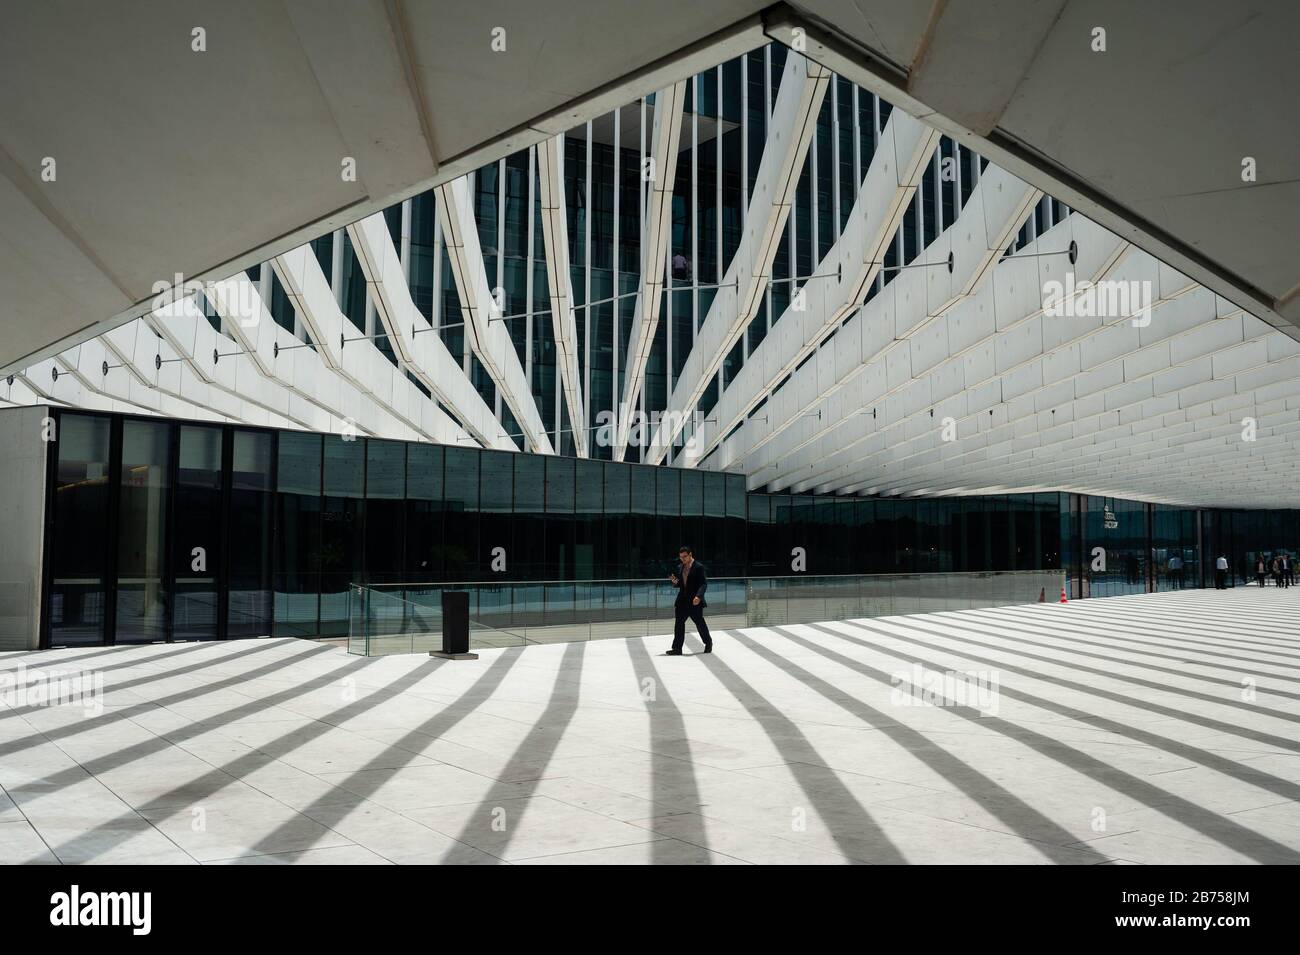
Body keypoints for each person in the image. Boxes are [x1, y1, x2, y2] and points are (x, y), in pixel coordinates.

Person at [667, 545, 712, 655]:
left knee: (699, 623)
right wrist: (674, 581)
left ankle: (708, 643)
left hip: (694, 601)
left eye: (685, 557)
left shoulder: (699, 567)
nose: (682, 559)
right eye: (681, 557)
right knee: (679, 624)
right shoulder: (680, 567)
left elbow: (703, 584)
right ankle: (677, 648)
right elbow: (681, 584)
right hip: (682, 601)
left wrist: (698, 596)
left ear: (690, 555)